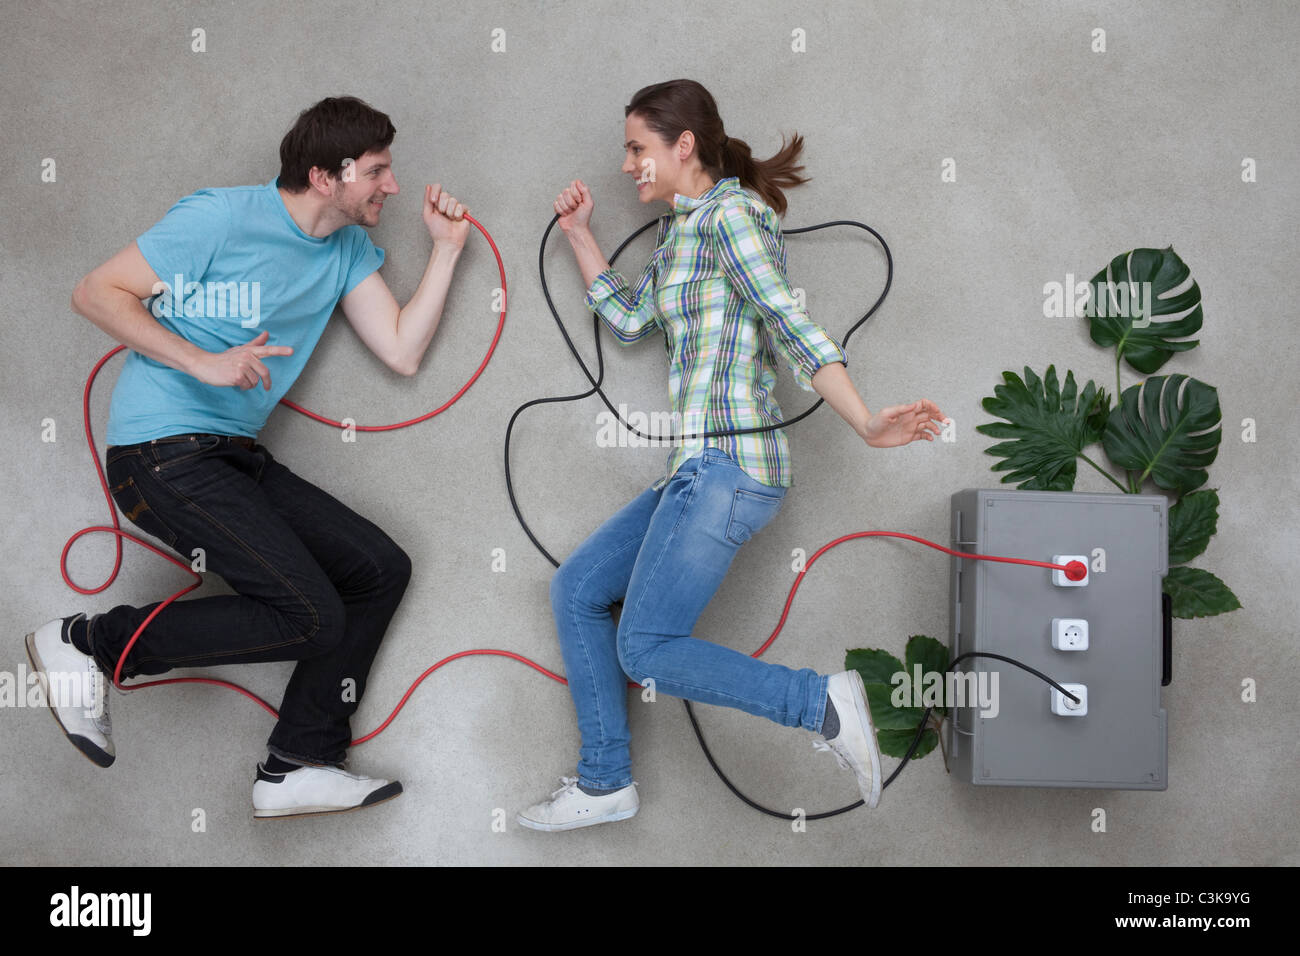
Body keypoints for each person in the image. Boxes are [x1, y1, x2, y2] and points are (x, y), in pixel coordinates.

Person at [517, 79, 950, 831]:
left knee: (645, 647)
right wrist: (580, 235)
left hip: (730, 469)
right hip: (696, 472)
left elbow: (786, 318)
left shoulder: (734, 215)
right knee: (578, 590)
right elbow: (626, 321)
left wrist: (865, 423)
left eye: (637, 149)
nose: (628, 166)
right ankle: (606, 781)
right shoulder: (682, 234)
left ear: (683, 144)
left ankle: (817, 702)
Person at [25, 95, 472, 819]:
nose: (392, 186)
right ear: (328, 176)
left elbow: (401, 350)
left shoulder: (349, 249)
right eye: (379, 172)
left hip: (232, 457)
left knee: (378, 567)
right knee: (311, 616)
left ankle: (298, 761)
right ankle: (89, 642)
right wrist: (202, 362)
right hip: (159, 453)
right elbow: (95, 292)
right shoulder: (221, 218)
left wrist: (448, 250)